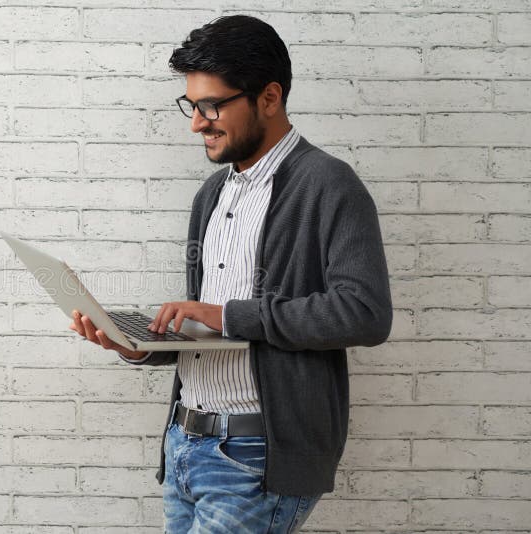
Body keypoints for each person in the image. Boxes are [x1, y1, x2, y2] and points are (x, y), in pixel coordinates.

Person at [69, 15, 392, 533]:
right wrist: (141, 345)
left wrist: (227, 314)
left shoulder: (329, 184)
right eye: (192, 106)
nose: (197, 123)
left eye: (212, 105)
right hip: (184, 443)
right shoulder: (213, 195)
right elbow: (216, 330)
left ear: (269, 97)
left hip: (254, 455)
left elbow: (365, 314)